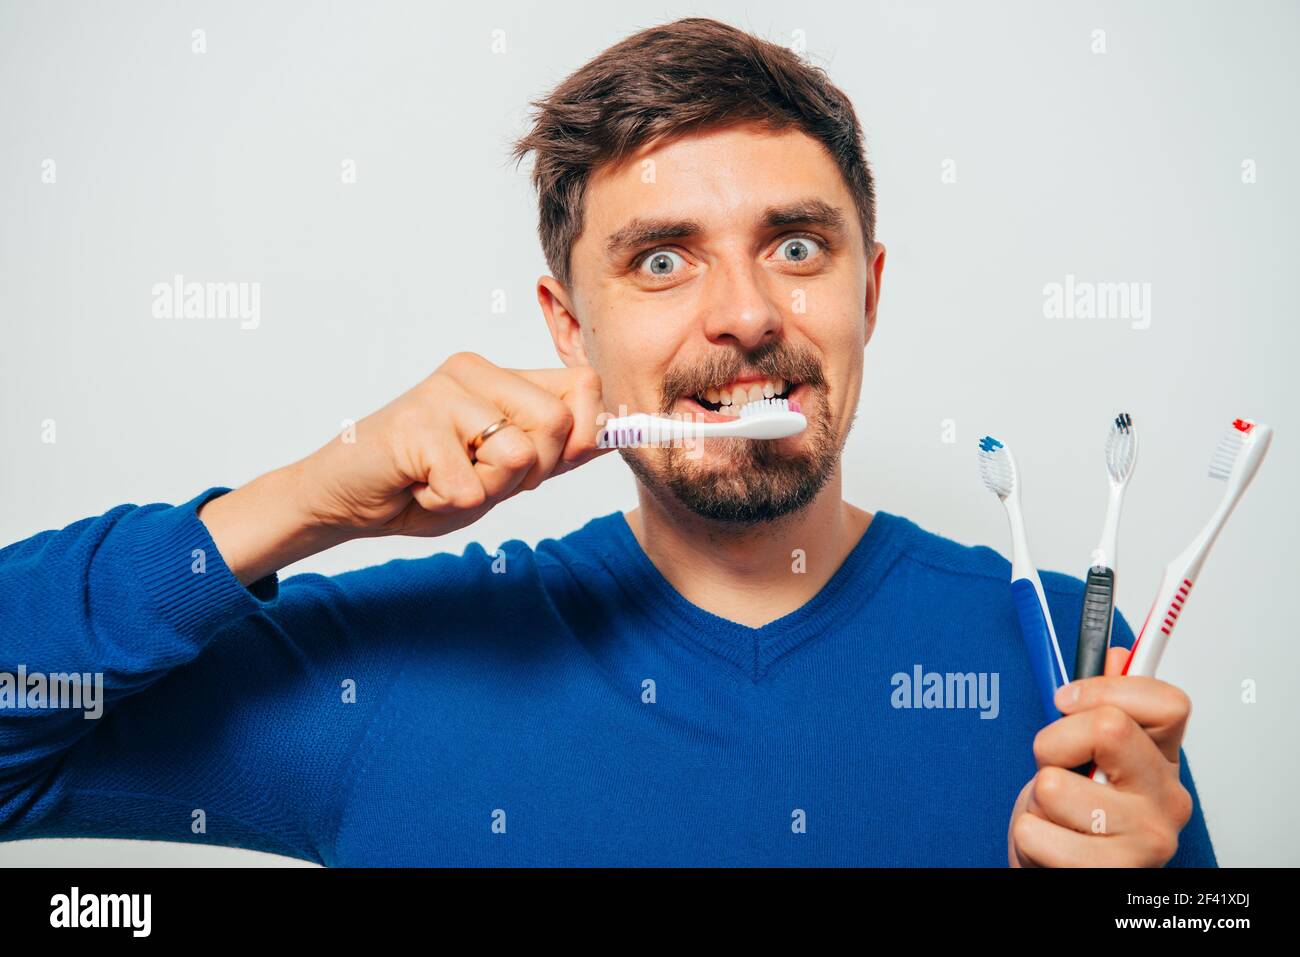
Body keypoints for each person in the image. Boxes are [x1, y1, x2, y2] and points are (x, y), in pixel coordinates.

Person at [0, 17, 1213, 866]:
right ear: (568, 329)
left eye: (796, 246)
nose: (744, 313)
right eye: (662, 260)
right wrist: (307, 501)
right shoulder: (386, 678)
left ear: (869, 293)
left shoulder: (1071, 659)